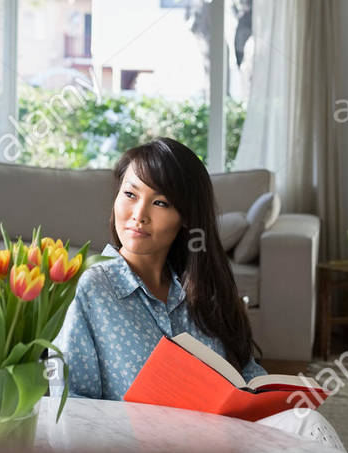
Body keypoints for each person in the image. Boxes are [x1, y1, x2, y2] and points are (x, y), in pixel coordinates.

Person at [54, 137, 268, 400]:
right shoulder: (93, 288)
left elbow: (248, 374)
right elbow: (73, 400)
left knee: (305, 421)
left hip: (222, 435)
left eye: (161, 203)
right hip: (132, 440)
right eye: (130, 195)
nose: (139, 215)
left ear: (187, 217)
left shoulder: (204, 289)